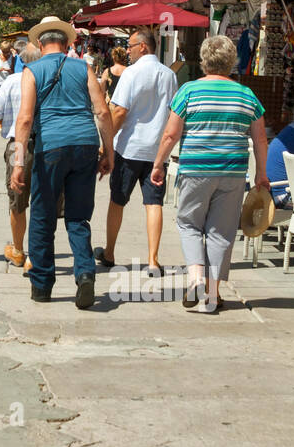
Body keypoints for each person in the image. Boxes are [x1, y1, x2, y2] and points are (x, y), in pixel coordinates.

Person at [150, 35, 268, 313]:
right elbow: (261, 139)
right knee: (221, 232)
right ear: (232, 61)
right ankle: (213, 295)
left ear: (204, 61)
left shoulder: (189, 91)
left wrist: (158, 164)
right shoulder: (247, 95)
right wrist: (261, 173)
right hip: (233, 171)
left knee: (189, 223)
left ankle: (194, 278)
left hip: (196, 169)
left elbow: (170, 134)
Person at [11, 16, 114, 309]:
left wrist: (19, 163)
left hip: (51, 147)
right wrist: (109, 152)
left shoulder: (32, 70)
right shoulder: (84, 68)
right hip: (85, 144)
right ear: (68, 43)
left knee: (43, 217)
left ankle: (42, 286)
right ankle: (84, 273)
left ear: (40, 44)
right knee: (78, 216)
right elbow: (103, 113)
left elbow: (25, 119)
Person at [94, 29, 177, 277]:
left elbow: (119, 112)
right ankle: (153, 259)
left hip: (129, 148)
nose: (127, 51)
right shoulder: (170, 75)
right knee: (154, 203)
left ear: (143, 47)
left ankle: (109, 252)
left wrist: (106, 145)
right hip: (156, 150)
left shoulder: (132, 73)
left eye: (130, 46)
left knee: (118, 200)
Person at [0, 45, 41, 267]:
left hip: (17, 146)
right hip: (45, 144)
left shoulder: (11, 81)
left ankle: (18, 250)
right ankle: (36, 255)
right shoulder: (47, 80)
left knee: (17, 199)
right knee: (41, 200)